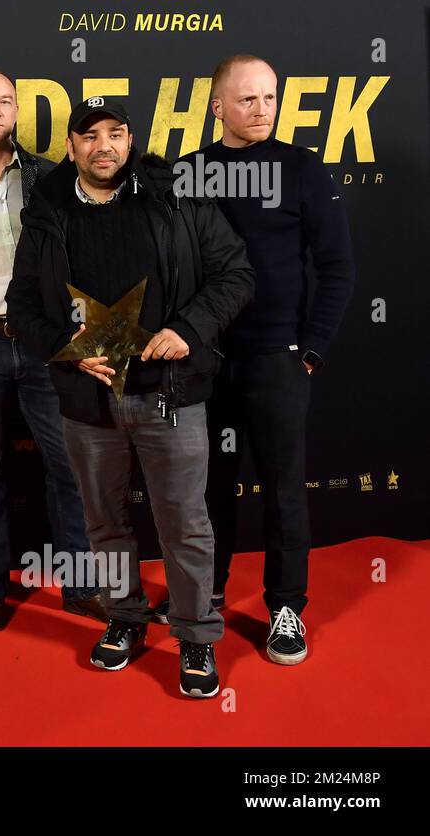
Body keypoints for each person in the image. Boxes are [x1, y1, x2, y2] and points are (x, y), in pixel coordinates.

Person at [6, 97, 254, 698]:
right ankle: (124, 616)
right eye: (90, 136)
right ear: (71, 147)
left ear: (130, 139)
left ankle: (195, 636)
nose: (104, 147)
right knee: (103, 521)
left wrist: (188, 328)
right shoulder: (48, 208)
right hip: (86, 399)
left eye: (116, 133)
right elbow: (21, 307)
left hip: (168, 394)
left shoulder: (175, 194)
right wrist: (67, 347)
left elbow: (236, 274)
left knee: (185, 523)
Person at [171, 54, 355, 665]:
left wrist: (312, 350)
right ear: (217, 105)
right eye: (247, 99)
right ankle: (209, 594)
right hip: (207, 361)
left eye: (270, 98)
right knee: (207, 489)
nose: (262, 109)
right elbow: (170, 269)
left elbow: (337, 268)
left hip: (280, 358)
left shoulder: (302, 169)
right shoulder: (190, 174)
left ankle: (285, 608)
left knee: (282, 489)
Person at [0, 71, 106, 630]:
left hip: (44, 344)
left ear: (17, 110)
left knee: (67, 466)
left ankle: (82, 586)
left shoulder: (48, 175)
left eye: (5, 102)